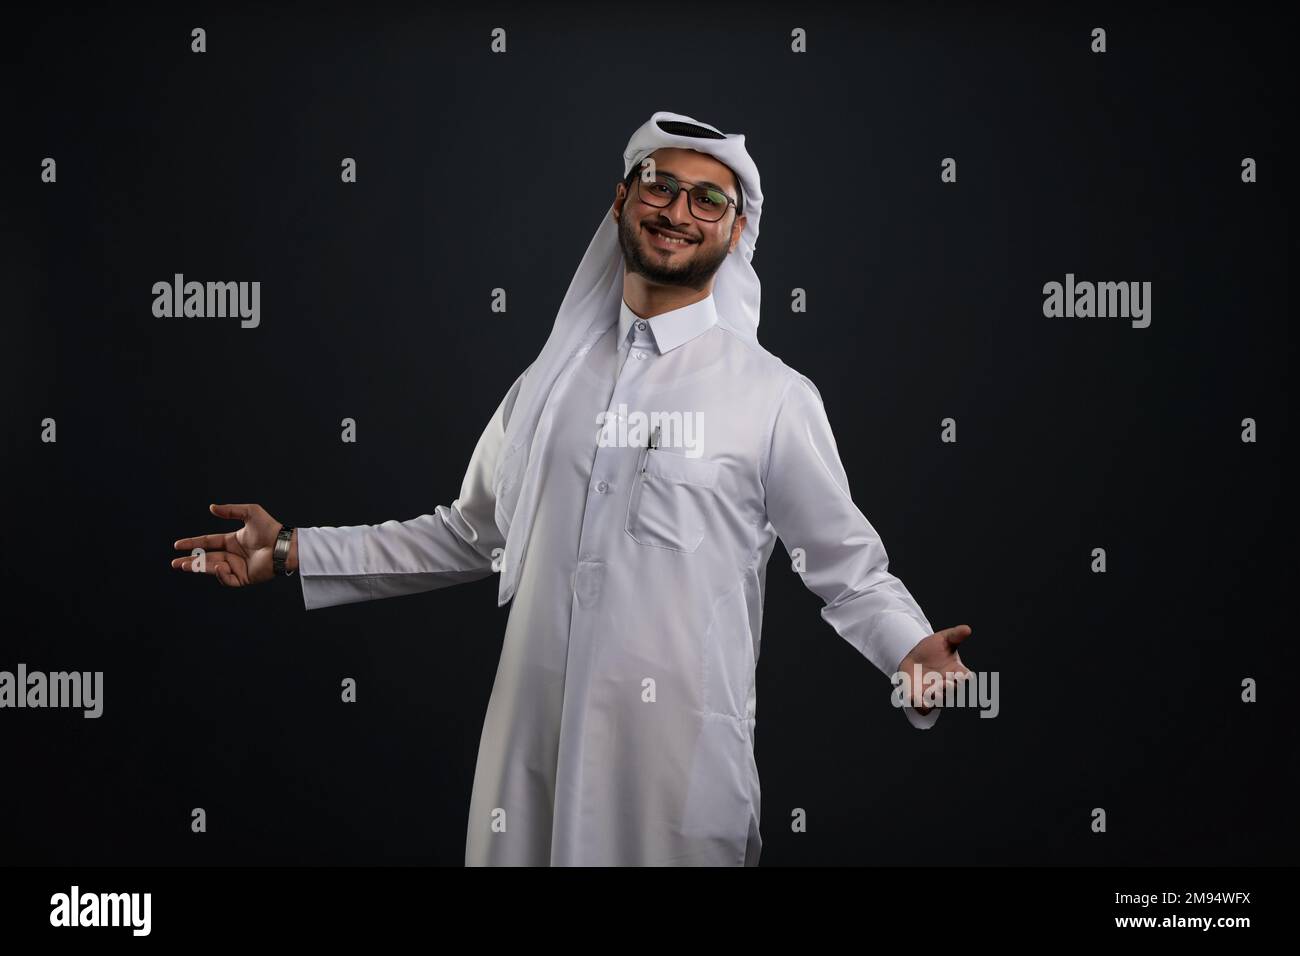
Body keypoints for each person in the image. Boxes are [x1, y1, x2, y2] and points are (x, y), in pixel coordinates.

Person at [171, 110, 974, 866]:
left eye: (707, 199)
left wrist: (910, 649)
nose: (676, 210)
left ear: (735, 232)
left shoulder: (771, 398)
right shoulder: (548, 384)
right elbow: (470, 532)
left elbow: (847, 568)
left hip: (672, 774)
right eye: (658, 184)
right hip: (529, 763)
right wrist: (288, 552)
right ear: (623, 198)